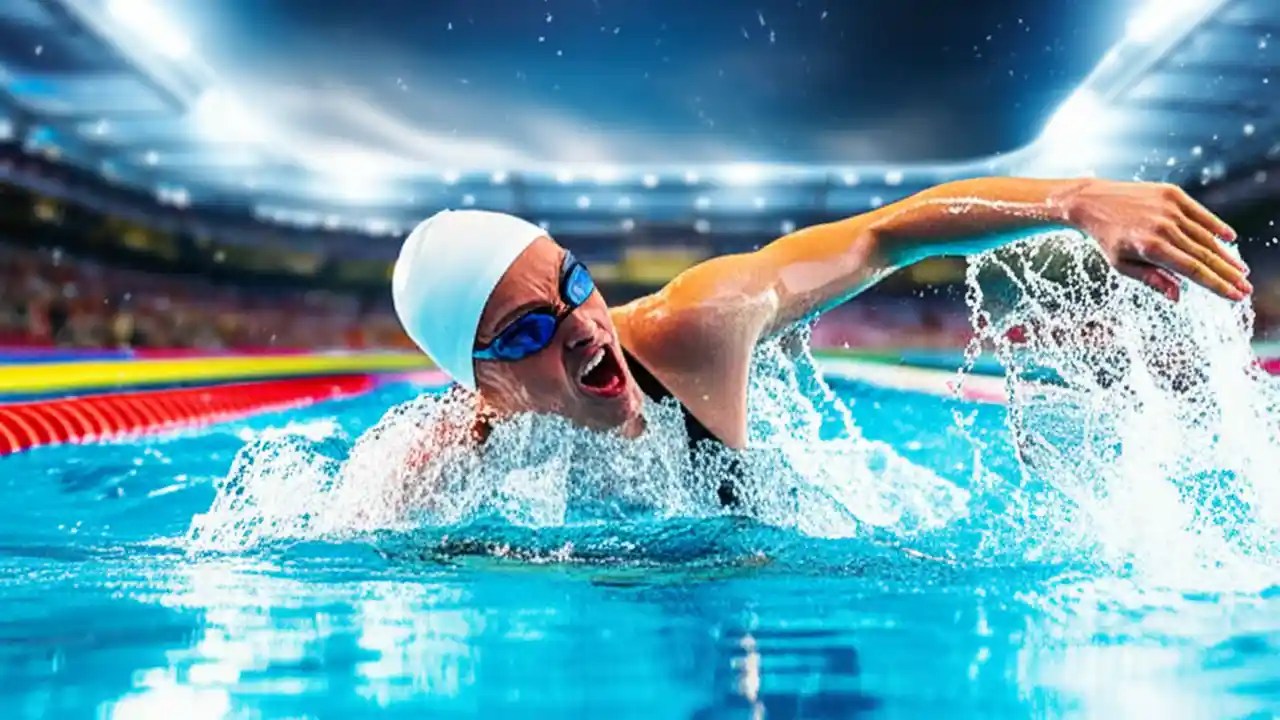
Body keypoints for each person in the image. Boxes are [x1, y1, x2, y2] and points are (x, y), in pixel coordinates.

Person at [392, 177, 1247, 499]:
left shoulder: (699, 326)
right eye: (532, 328)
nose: (582, 324)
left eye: (575, 282)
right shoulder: (442, 467)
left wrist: (1074, 202)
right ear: (484, 381)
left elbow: (884, 236)